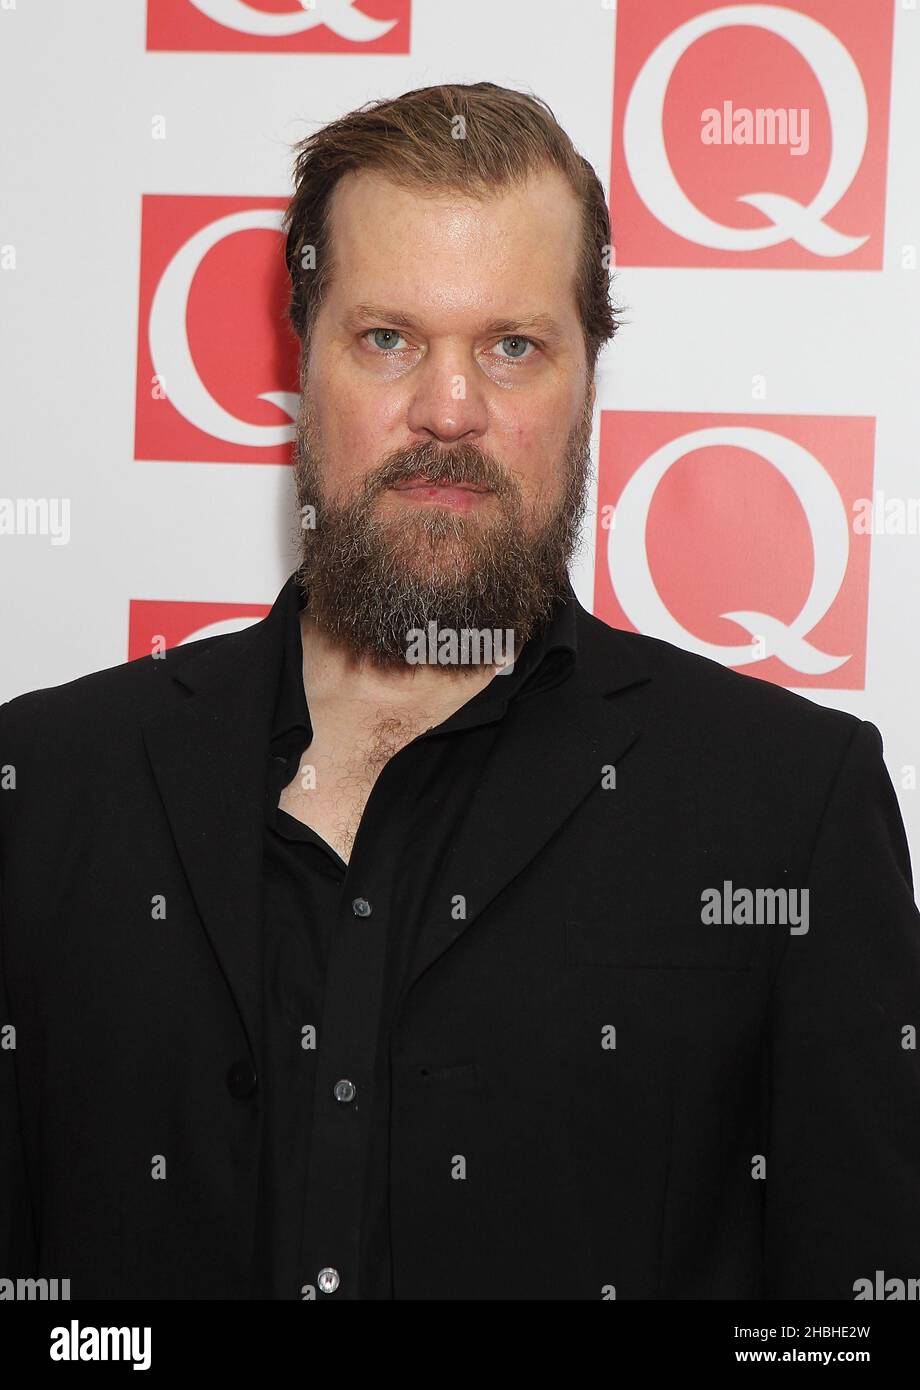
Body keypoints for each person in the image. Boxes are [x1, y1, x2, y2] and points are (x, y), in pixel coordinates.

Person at [1, 82, 919, 1301]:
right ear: (302, 361)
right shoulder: (49, 786)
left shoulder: (786, 808)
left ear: (586, 381)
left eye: (511, 346)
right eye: (387, 338)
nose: (448, 409)